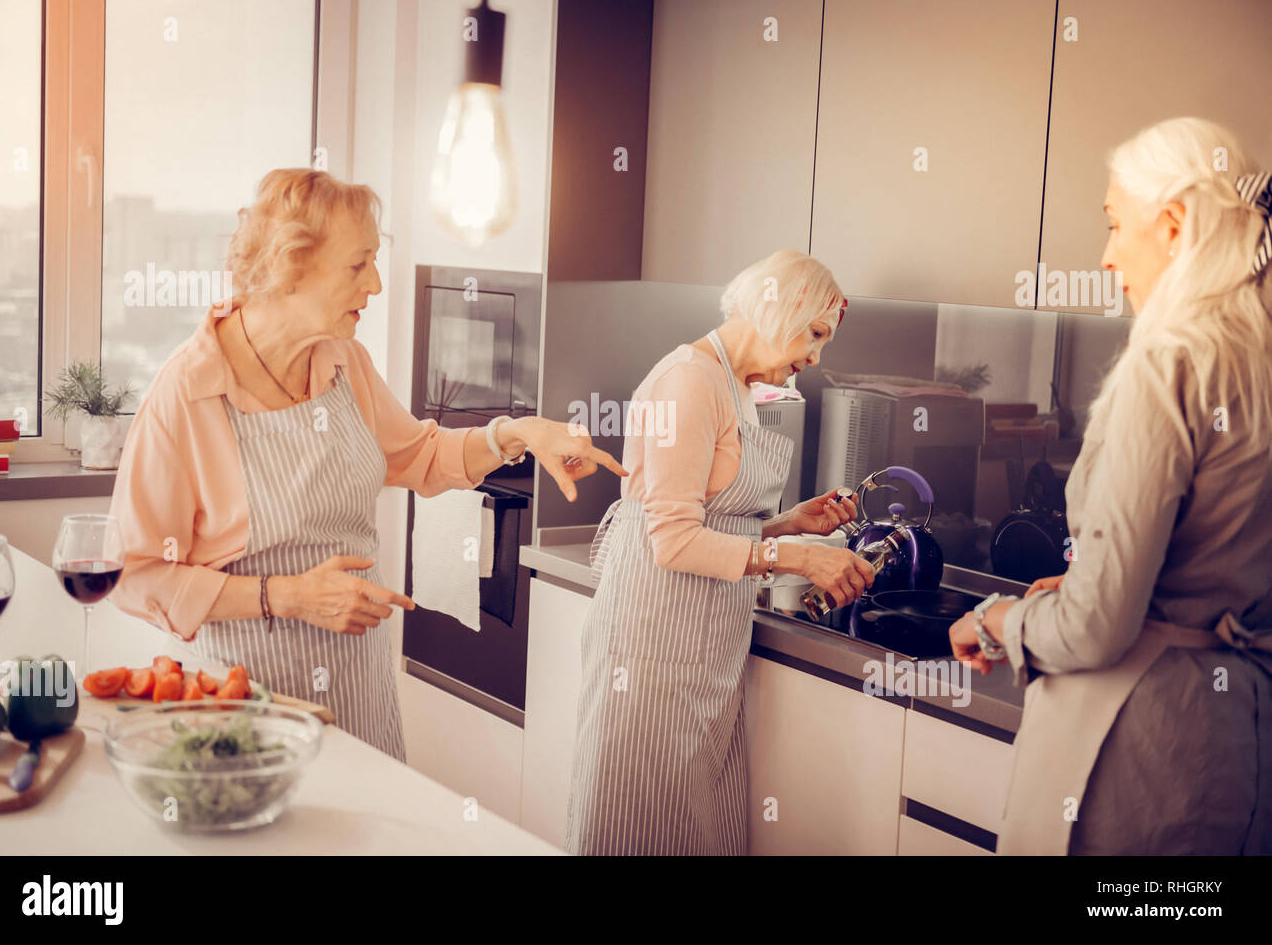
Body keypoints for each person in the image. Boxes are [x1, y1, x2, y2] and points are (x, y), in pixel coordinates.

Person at [110, 168, 622, 761]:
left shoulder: (342, 361)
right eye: (358, 265)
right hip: (248, 704)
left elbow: (422, 457)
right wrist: (287, 596)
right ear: (290, 266)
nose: (376, 284)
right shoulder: (187, 393)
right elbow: (136, 572)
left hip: (359, 686)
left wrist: (519, 433)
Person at [949, 117, 1272, 854]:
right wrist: (1092, 577)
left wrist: (999, 619)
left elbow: (1098, 627)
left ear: (1173, 225)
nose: (1106, 255)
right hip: (1239, 748)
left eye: (1114, 224)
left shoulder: (1170, 365)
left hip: (1140, 750)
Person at [564, 249, 876, 854]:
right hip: (650, 645)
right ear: (772, 308)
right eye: (814, 335)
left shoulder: (732, 383)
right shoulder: (688, 381)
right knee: (637, 819)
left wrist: (785, 524)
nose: (814, 359)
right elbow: (675, 539)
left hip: (702, 642)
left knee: (692, 821)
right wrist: (800, 558)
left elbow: (709, 516)